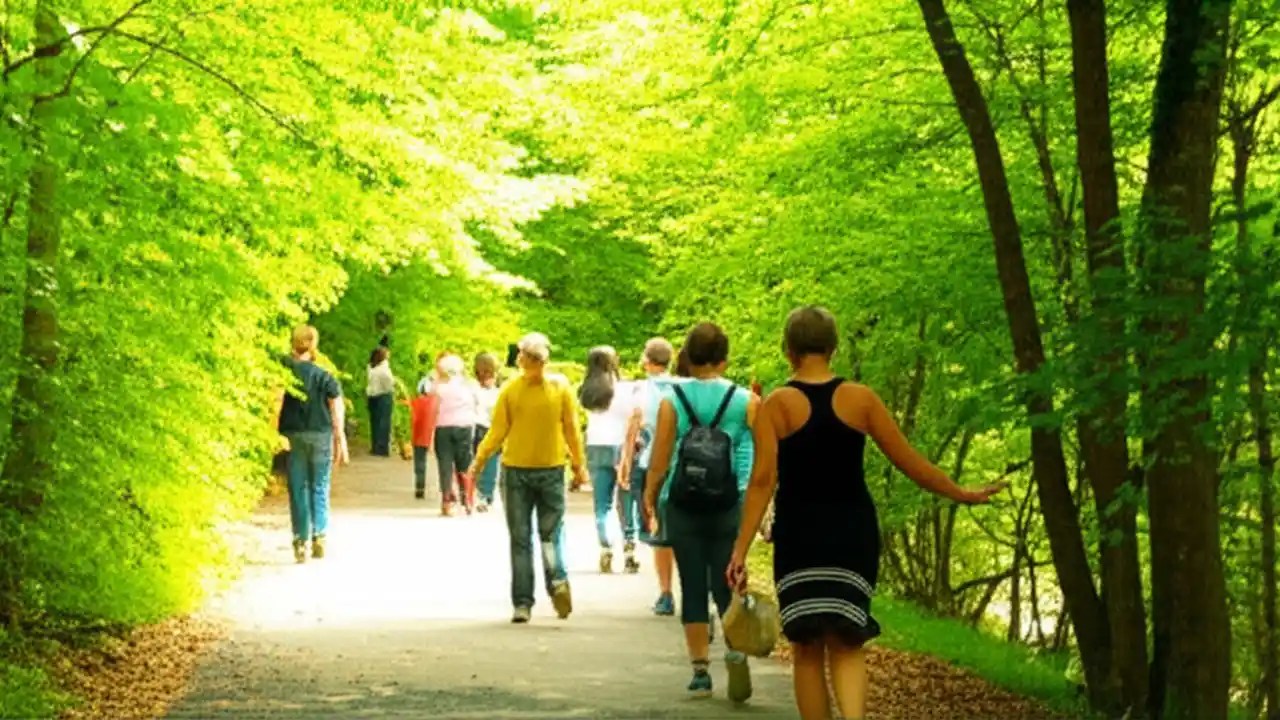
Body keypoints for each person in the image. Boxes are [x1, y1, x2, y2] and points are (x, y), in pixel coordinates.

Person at [727, 306, 1003, 720]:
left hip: (800, 538)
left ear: (789, 350)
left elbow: (762, 481)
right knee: (847, 642)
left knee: (806, 647)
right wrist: (960, 492)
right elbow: (909, 461)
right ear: (834, 348)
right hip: (852, 535)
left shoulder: (777, 404)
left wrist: (739, 550)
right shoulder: (861, 399)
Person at [642, 324, 756, 703]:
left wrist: (650, 494)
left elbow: (660, 457)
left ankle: (700, 673)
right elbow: (764, 457)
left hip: (684, 501)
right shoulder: (745, 401)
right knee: (728, 578)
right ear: (725, 359)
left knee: (692, 583)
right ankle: (736, 651)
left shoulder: (671, 399)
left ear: (687, 357)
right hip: (730, 502)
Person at [468, 332, 587, 624]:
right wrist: (579, 465)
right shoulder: (561, 387)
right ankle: (557, 581)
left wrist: (479, 460)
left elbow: (498, 431)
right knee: (551, 534)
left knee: (520, 540)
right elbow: (572, 429)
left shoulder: (510, 389)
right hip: (551, 470)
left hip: (516, 472)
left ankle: (523, 604)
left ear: (525, 358)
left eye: (521, 354)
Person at [277, 326, 349, 563]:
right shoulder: (323, 375)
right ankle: (319, 534)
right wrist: (341, 439)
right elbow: (336, 406)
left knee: (298, 487)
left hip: (293, 434)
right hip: (320, 434)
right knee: (320, 485)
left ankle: (300, 539)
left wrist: (271, 432)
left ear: (293, 344)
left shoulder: (285, 373)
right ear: (313, 344)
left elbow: (276, 402)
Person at [621, 337, 682, 613]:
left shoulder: (642, 390)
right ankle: (693, 590)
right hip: (684, 465)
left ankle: (666, 593)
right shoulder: (683, 388)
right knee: (686, 530)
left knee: (660, 532)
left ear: (647, 361)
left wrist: (624, 462)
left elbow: (634, 425)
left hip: (652, 465)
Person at [580, 346, 640, 574]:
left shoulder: (586, 392)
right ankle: (629, 549)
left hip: (596, 446)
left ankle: (605, 548)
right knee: (626, 502)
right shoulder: (625, 389)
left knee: (601, 504)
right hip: (621, 447)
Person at [433, 352, 478, 516]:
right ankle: (467, 498)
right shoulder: (469, 386)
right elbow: (476, 404)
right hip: (465, 426)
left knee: (445, 463)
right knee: (465, 462)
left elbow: (434, 409)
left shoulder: (439, 387)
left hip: (443, 427)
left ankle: (447, 500)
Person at [473, 352, 502, 512]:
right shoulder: (499, 390)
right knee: (491, 463)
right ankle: (486, 494)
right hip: (491, 428)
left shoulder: (471, 388)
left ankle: (479, 493)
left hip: (476, 427)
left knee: (479, 461)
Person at [404, 377, 439, 500]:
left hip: (419, 437)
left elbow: (413, 419)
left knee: (420, 463)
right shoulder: (436, 402)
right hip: (435, 435)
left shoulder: (416, 402)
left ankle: (420, 486)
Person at [366, 346, 396, 456]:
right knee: (384, 422)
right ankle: (382, 448)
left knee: (375, 422)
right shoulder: (384, 368)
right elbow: (389, 383)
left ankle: (375, 446)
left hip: (372, 396)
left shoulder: (370, 367)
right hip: (383, 396)